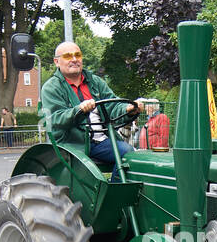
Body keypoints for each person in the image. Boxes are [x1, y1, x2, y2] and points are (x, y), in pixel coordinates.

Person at [41, 40, 143, 182]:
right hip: (72, 144)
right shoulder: (51, 88)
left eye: (78, 55)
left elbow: (113, 105)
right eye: (68, 56)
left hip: (101, 142)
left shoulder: (95, 82)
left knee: (128, 154)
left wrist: (129, 109)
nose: (74, 59)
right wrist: (79, 110)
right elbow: (55, 119)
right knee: (89, 176)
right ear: (57, 62)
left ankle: (115, 196)